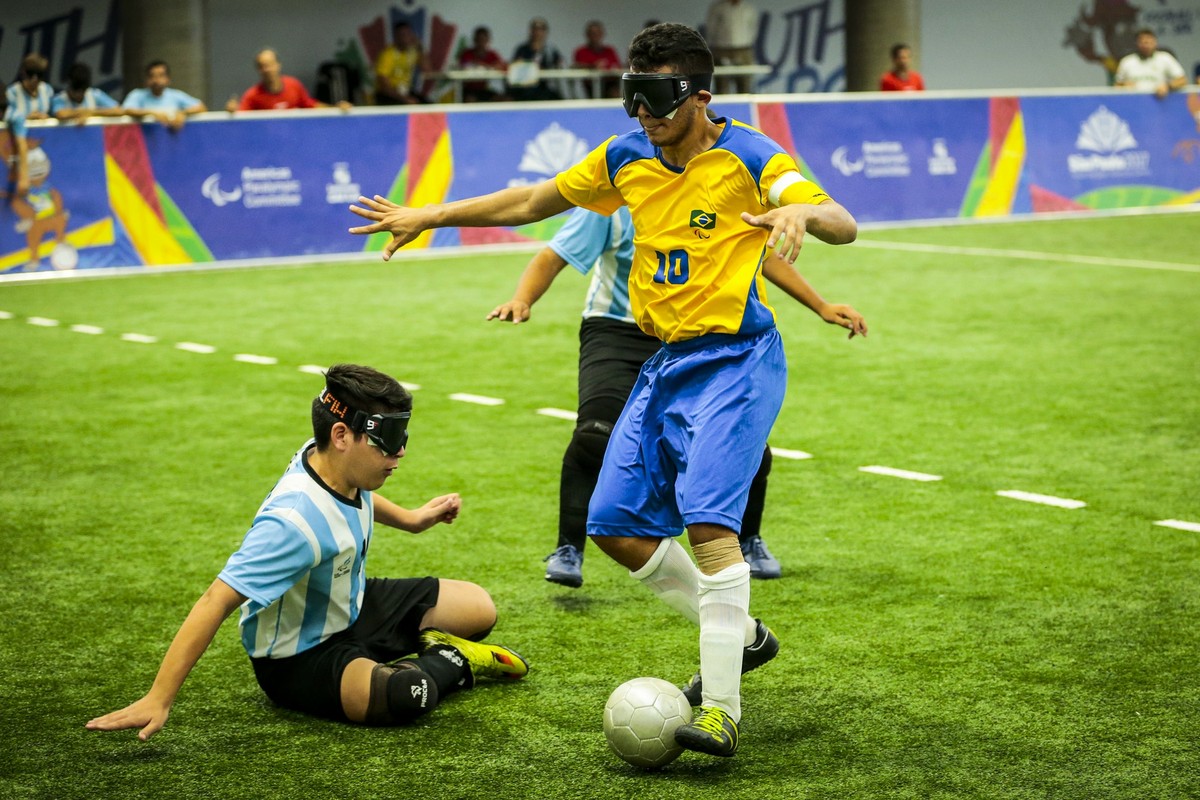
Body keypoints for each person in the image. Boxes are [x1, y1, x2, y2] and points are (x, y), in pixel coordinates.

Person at [348, 23, 857, 758]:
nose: (641, 114)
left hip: (739, 362)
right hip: (664, 360)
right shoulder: (627, 157)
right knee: (613, 524)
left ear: (699, 96)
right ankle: (738, 634)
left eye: (654, 97)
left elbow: (842, 223)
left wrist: (802, 212)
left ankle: (720, 709)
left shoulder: (751, 156)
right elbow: (533, 201)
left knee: (710, 527)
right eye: (631, 96)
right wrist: (432, 214)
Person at [85, 364, 529, 740]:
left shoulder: (328, 460)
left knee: (479, 608)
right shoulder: (292, 523)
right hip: (300, 657)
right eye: (388, 442)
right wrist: (158, 698)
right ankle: (452, 659)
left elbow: (357, 494)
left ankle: (414, 650)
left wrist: (414, 520)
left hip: (349, 605)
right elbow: (215, 600)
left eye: (402, 437)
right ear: (341, 435)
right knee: (407, 694)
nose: (400, 453)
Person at [487, 207, 866, 588]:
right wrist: (523, 299)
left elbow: (759, 255)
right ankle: (568, 549)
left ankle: (748, 540)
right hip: (616, 333)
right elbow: (552, 255)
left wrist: (821, 305)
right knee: (594, 433)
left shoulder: (710, 193)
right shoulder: (611, 206)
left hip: (693, 335)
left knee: (746, 446)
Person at [229, 49, 352, 112]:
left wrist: (336, 108)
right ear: (258, 70)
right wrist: (231, 111)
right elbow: (240, 116)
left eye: (270, 64)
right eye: (262, 66)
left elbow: (311, 105)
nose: (267, 69)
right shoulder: (252, 95)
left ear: (278, 65)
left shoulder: (294, 85)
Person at [4, 54, 54, 198]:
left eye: (40, 75)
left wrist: (47, 118)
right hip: (17, 153)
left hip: (46, 154)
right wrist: (27, 117)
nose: (35, 79)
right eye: (31, 74)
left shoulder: (48, 91)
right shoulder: (11, 94)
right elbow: (17, 129)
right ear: (23, 73)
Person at [122, 60, 208, 130]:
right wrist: (152, 113)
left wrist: (182, 114)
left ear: (168, 79)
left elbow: (201, 107)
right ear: (147, 79)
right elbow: (127, 110)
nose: (156, 80)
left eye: (161, 76)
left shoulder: (176, 95)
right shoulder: (137, 94)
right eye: (152, 76)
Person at [705, 0, 759, 94]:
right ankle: (723, 107)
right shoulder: (718, 8)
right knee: (722, 84)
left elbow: (753, 28)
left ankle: (744, 105)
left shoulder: (748, 8)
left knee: (744, 83)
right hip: (722, 49)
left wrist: (747, 43)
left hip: (743, 50)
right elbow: (711, 28)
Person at [1114, 28, 1186, 98]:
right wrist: (1124, 86)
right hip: (1133, 103)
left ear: (1155, 42)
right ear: (1137, 43)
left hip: (1159, 103)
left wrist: (1167, 86)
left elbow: (1182, 80)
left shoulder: (1165, 58)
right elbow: (1116, 86)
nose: (1146, 45)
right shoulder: (1127, 61)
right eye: (1142, 42)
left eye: (1148, 42)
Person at [374, 20, 430, 105]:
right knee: (407, 106)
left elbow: (427, 71)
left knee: (430, 106)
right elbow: (384, 86)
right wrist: (405, 99)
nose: (407, 38)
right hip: (388, 94)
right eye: (403, 35)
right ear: (396, 37)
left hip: (405, 91)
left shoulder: (413, 52)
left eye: (409, 34)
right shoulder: (387, 54)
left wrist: (420, 48)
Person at [509, 17, 564, 101]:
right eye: (535, 29)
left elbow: (560, 65)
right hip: (525, 89)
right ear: (531, 31)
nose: (537, 32)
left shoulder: (551, 50)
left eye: (541, 30)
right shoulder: (522, 49)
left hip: (545, 88)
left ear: (545, 32)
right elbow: (516, 68)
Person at [50, 62, 125, 123]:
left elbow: (118, 110)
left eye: (82, 91)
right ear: (69, 84)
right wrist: (80, 113)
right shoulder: (59, 99)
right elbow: (60, 114)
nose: (78, 95)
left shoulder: (95, 95)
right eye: (75, 90)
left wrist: (91, 113)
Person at [457, 25, 508, 103]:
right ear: (474, 40)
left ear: (488, 41)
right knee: (470, 100)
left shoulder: (492, 54)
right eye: (479, 40)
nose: (481, 43)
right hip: (469, 90)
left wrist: (485, 66)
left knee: (504, 99)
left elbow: (502, 66)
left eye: (484, 40)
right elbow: (464, 66)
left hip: (484, 90)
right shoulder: (467, 54)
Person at [572, 20, 622, 98]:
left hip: (610, 84)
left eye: (598, 33)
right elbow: (576, 67)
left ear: (602, 34)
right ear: (587, 35)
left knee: (615, 93)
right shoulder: (581, 51)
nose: (595, 36)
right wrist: (592, 66)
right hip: (589, 87)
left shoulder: (610, 50)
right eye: (592, 33)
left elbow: (617, 66)